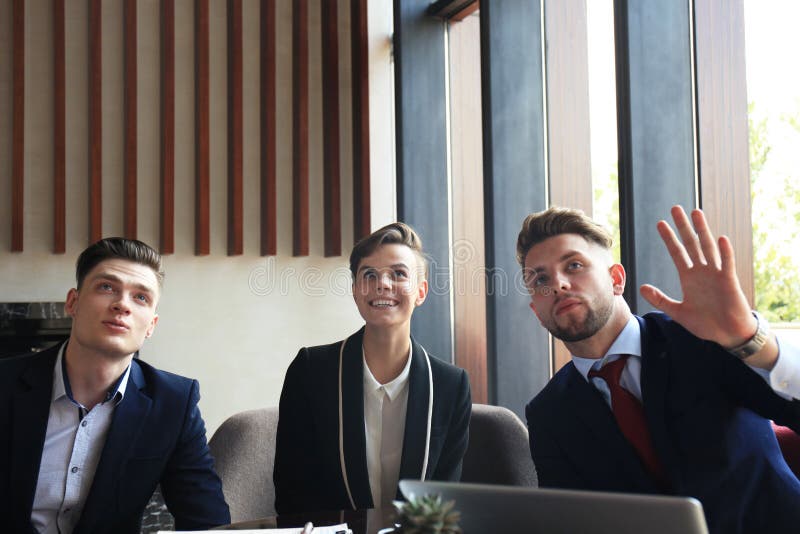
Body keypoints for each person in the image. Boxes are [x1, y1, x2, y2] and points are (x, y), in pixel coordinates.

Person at [520, 206, 800, 534]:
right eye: (541, 279)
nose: (559, 285)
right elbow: (566, 523)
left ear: (615, 279)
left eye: (574, 265)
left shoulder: (703, 340)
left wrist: (750, 340)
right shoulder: (549, 413)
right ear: (536, 312)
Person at [0, 238, 230, 533]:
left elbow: (208, 522)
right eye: (107, 287)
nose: (122, 304)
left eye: (141, 298)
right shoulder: (6, 384)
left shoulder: (173, 403)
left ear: (151, 325)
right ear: (73, 302)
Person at [273, 222, 472, 514]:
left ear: (421, 291)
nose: (383, 284)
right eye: (369, 274)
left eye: (399, 274)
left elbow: (443, 502)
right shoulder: (311, 372)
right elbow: (293, 493)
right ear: (355, 291)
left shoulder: (451, 385)